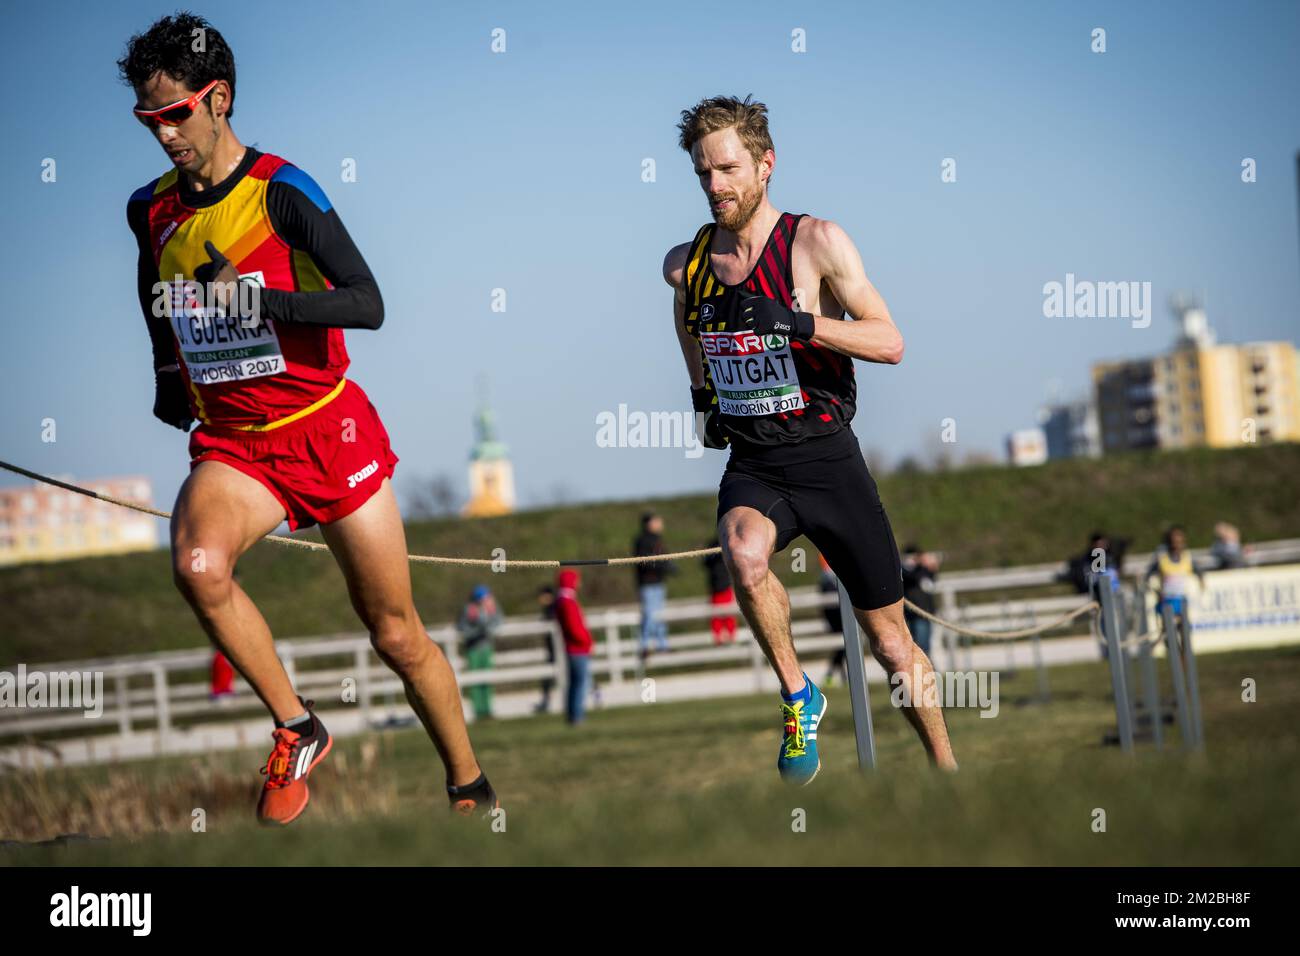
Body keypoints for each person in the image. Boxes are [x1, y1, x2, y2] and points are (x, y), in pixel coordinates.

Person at [118, 14, 496, 823]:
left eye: (175, 114)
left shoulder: (284, 193)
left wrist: (261, 302)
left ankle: (467, 783)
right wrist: (164, 373)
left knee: (394, 634)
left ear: (216, 99)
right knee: (197, 568)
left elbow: (369, 303)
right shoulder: (148, 211)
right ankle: (298, 724)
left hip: (328, 429)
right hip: (235, 445)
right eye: (148, 120)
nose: (163, 135)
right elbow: (155, 295)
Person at [662, 95, 956, 784]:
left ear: (766, 164)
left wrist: (799, 325)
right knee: (742, 552)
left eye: (729, 169)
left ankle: (947, 773)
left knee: (888, 641)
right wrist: (703, 393)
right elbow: (686, 323)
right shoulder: (687, 264)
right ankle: (800, 695)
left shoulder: (816, 242)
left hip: (827, 458)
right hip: (755, 461)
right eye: (703, 173)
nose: (716, 187)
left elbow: (889, 341)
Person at [553, 569, 593, 725]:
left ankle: (574, 715)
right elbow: (575, 628)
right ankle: (577, 716)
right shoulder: (567, 602)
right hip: (577, 648)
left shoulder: (564, 600)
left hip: (574, 647)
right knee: (580, 683)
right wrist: (587, 642)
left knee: (576, 682)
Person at [456, 585, 501, 721]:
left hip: (486, 647)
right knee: (475, 681)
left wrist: (488, 626)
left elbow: (498, 622)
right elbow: (462, 627)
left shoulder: (491, 607)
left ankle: (487, 709)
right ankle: (478, 710)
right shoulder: (469, 609)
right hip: (473, 649)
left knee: (487, 679)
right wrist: (477, 631)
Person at [633, 512, 674, 658]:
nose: (660, 524)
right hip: (648, 584)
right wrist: (664, 566)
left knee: (659, 615)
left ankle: (662, 645)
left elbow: (662, 558)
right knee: (650, 615)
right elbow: (646, 563)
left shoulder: (657, 539)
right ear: (649, 523)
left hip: (658, 583)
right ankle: (644, 646)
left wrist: (669, 566)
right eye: (657, 521)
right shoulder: (642, 541)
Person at [1146, 525, 1205, 623]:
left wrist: (1200, 590)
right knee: (1169, 629)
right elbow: (1147, 577)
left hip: (1183, 600)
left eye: (1180, 541)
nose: (1178, 544)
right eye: (1174, 541)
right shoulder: (1162, 560)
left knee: (1183, 627)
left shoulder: (1187, 558)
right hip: (1167, 600)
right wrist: (1156, 591)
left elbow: (1200, 574)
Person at [901, 545, 939, 657]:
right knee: (920, 646)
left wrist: (932, 566)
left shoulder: (921, 570)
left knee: (926, 646)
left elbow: (929, 579)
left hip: (926, 613)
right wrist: (921, 563)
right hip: (915, 615)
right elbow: (913, 576)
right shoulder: (906, 569)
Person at [818, 554, 846, 686]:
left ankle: (838, 675)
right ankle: (834, 675)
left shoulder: (830, 577)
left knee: (842, 647)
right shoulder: (826, 579)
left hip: (840, 617)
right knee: (842, 647)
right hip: (835, 619)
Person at [703, 538, 737, 644]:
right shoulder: (717, 544)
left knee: (726, 614)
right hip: (718, 586)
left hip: (723, 585)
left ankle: (727, 636)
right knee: (719, 614)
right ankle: (722, 637)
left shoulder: (725, 544)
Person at [534, 584, 557, 713]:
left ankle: (596, 695)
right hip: (552, 650)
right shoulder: (547, 610)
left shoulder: (554, 608)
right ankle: (545, 703)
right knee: (547, 679)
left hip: (559, 649)